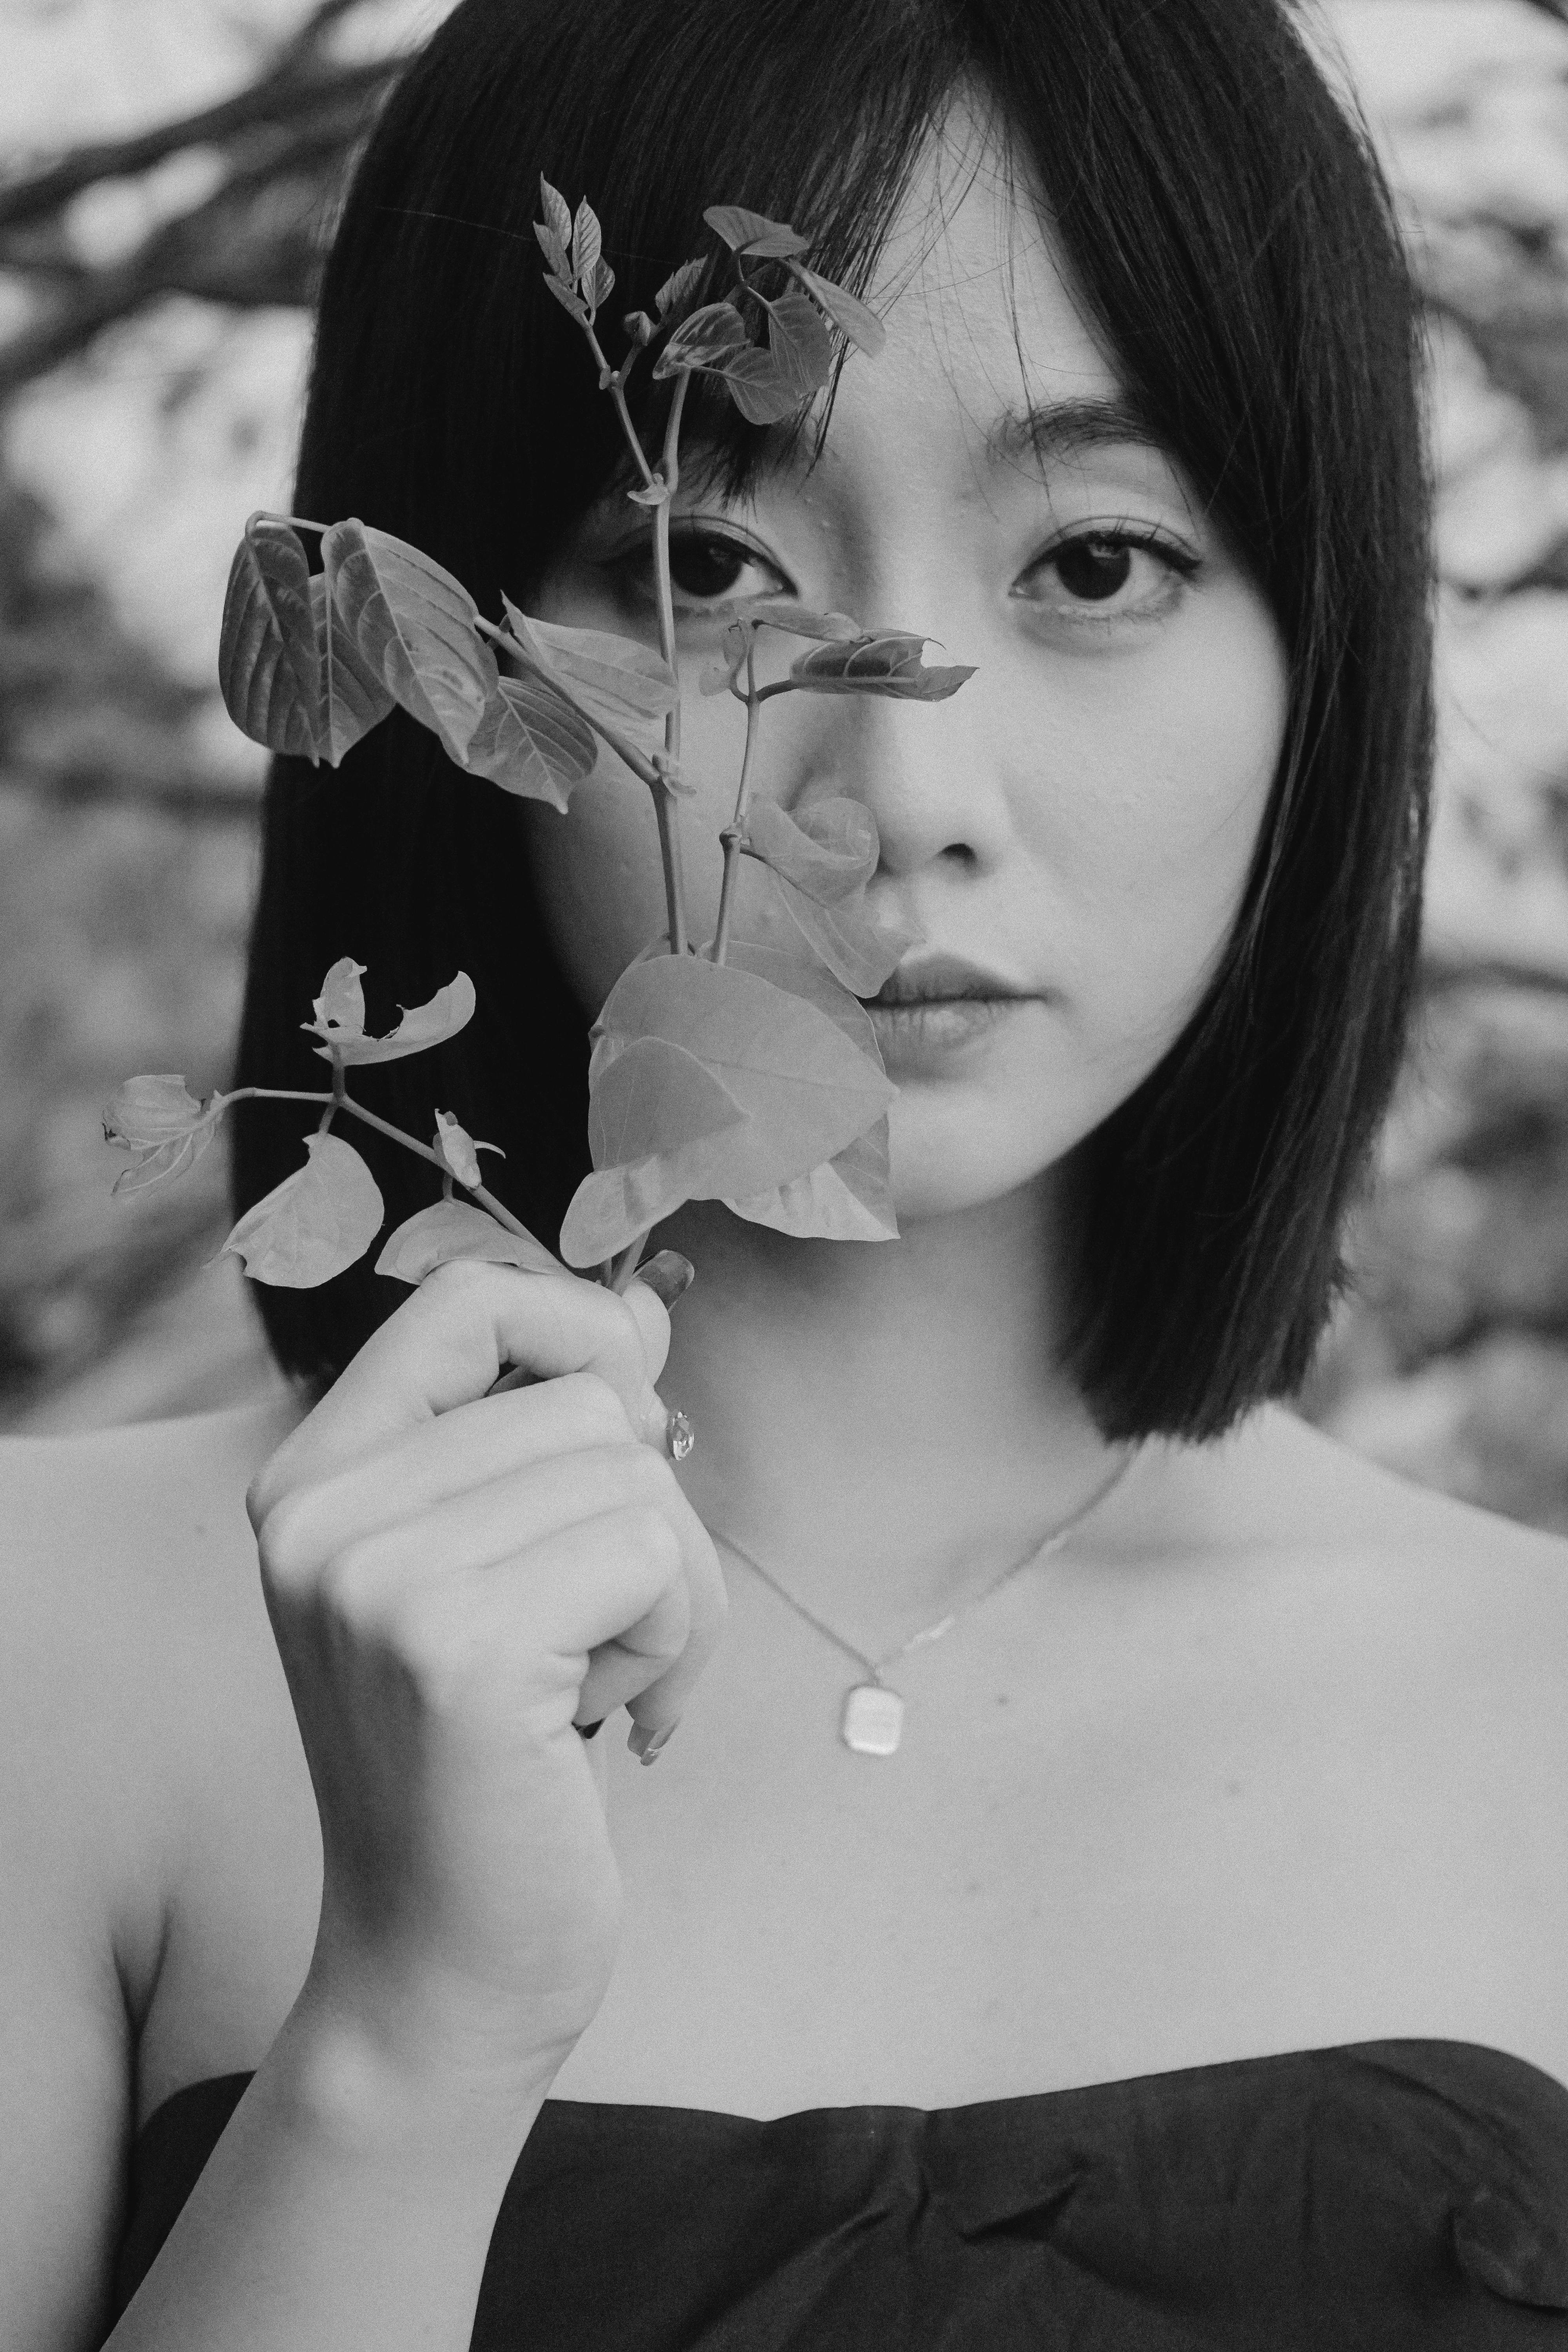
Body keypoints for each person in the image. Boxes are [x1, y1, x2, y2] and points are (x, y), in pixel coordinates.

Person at [4, 0, 1566, 2344]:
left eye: (1103, 563)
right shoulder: (50, 1663)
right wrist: (410, 2043)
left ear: (1324, 656)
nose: (903, 788)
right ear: (448, 661)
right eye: (712, 566)